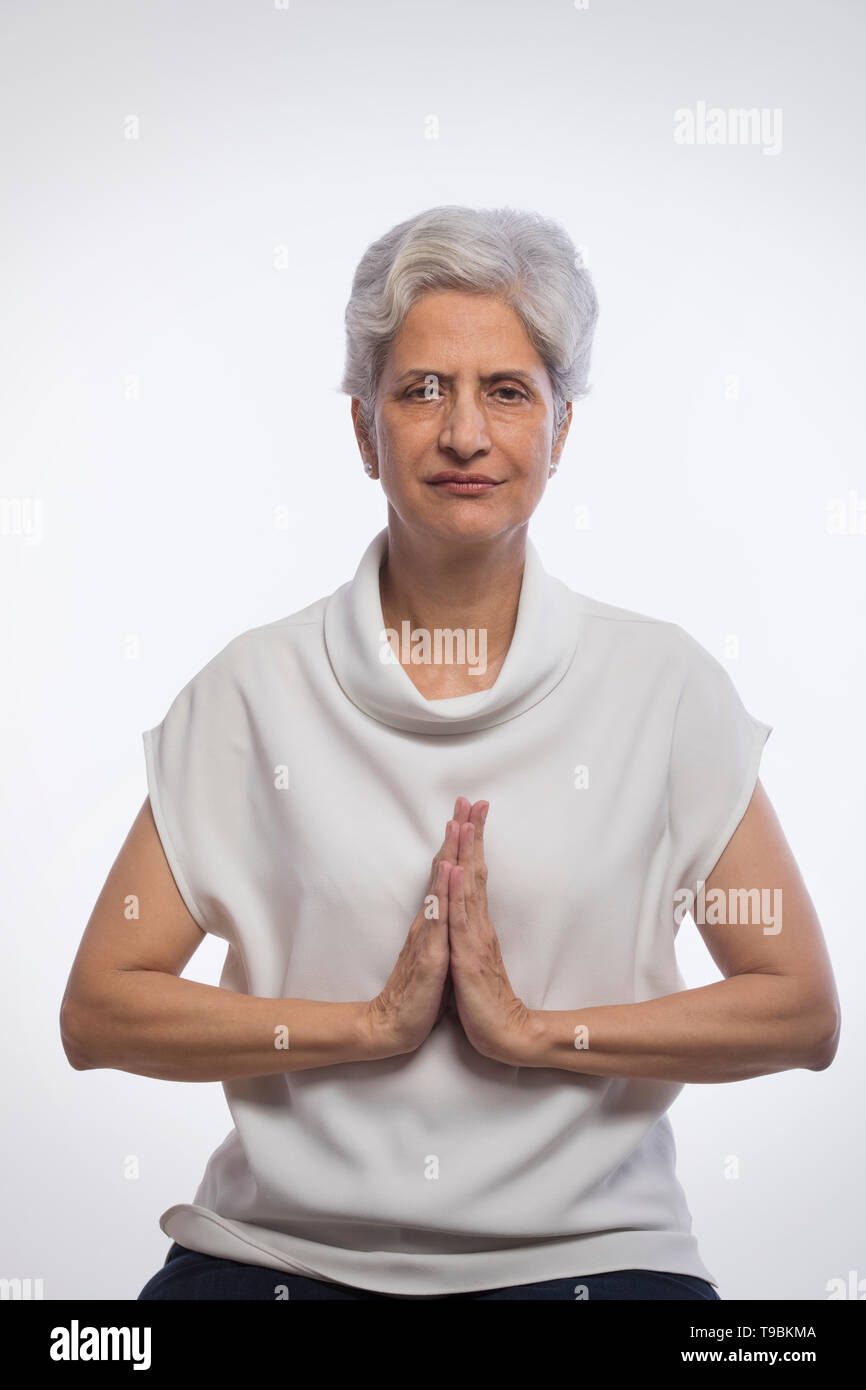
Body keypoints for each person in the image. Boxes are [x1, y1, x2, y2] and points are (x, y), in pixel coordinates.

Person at [60, 205, 840, 1301]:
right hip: (279, 1255)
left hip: (594, 1263)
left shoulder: (661, 688)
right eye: (421, 389)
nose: (464, 433)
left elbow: (797, 1007)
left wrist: (533, 1034)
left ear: (560, 429)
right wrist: (368, 1026)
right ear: (361, 428)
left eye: (507, 392)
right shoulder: (252, 690)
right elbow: (99, 1007)